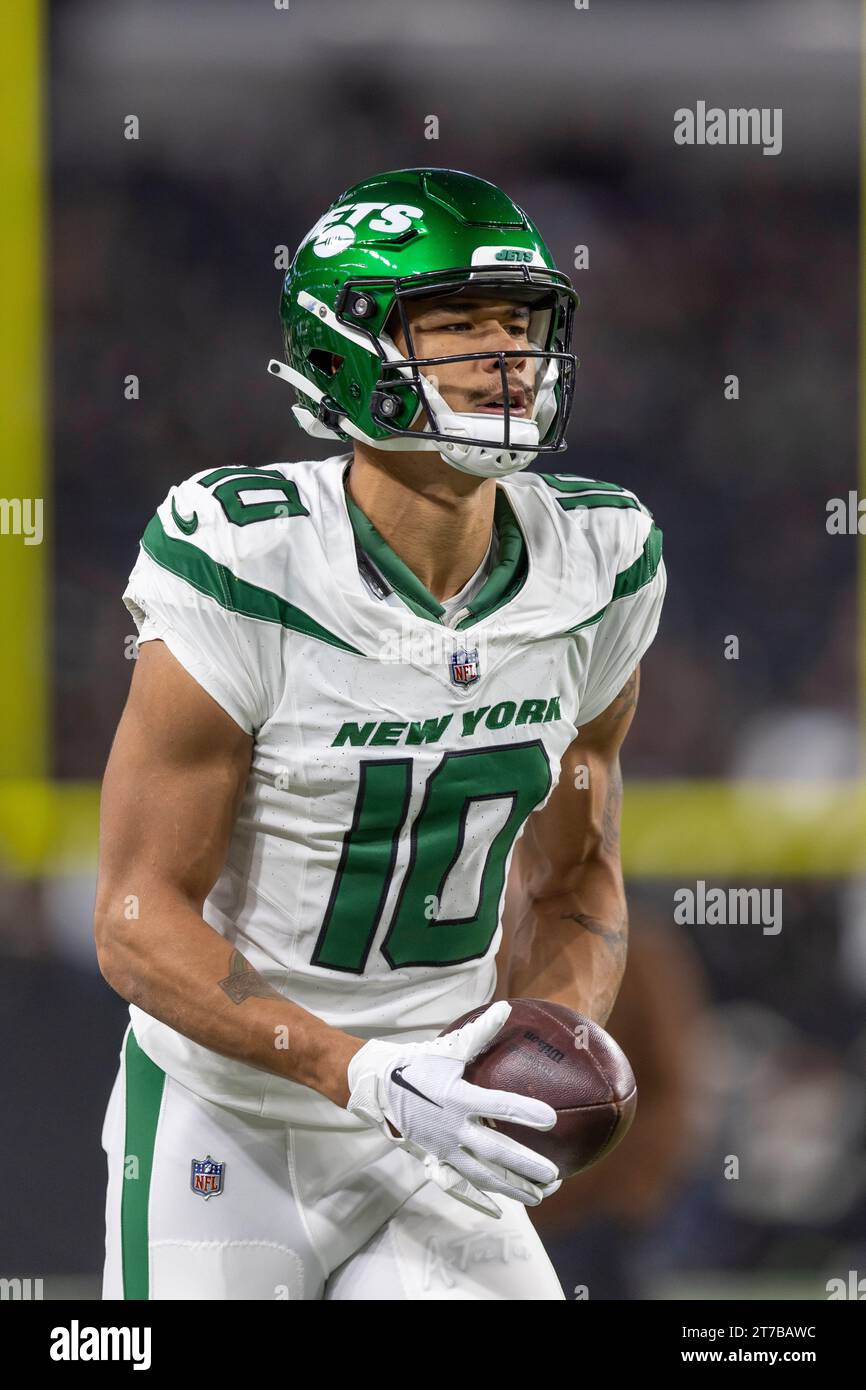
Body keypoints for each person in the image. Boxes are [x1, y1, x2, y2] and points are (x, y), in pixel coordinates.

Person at [94, 167, 666, 1300]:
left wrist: (537, 1047)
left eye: (521, 323)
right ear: (343, 352)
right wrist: (363, 1073)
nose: (506, 357)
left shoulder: (600, 559)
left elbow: (578, 874)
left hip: (439, 1120)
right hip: (233, 1120)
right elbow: (133, 918)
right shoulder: (245, 556)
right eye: (456, 326)